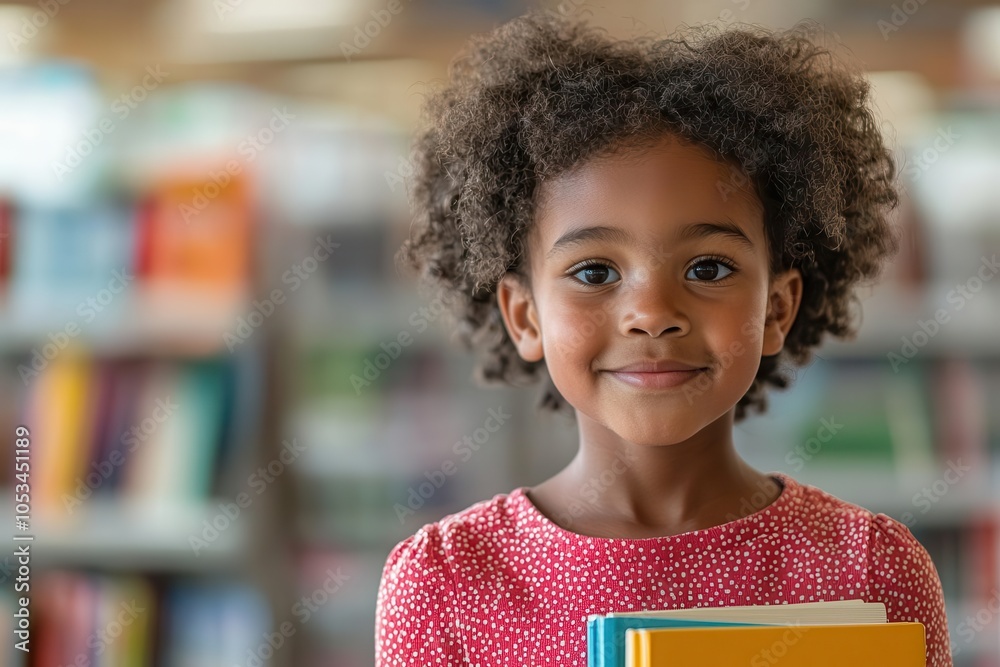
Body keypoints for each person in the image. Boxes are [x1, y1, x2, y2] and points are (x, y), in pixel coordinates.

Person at [377, 10, 952, 667]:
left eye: (708, 268)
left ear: (778, 307)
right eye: (594, 271)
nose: (650, 312)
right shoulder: (445, 581)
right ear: (525, 315)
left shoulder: (873, 571)